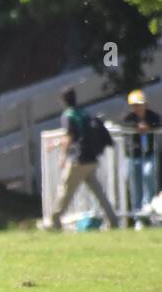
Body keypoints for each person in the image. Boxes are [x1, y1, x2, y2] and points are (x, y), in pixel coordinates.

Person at [40, 88, 119, 231]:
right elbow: (77, 135)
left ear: (63, 100)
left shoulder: (68, 115)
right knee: (99, 193)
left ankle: (54, 222)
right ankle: (113, 220)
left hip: (78, 160)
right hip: (91, 159)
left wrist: (62, 156)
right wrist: (56, 144)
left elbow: (70, 137)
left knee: (65, 190)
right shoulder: (83, 113)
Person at [120, 89, 160, 228]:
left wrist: (149, 126)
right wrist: (136, 126)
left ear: (145, 104)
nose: (137, 108)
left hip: (148, 154)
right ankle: (138, 217)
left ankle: (148, 210)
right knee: (134, 185)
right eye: (134, 105)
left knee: (149, 174)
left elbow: (158, 121)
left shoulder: (151, 116)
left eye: (139, 104)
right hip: (133, 156)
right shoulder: (129, 117)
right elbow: (124, 123)